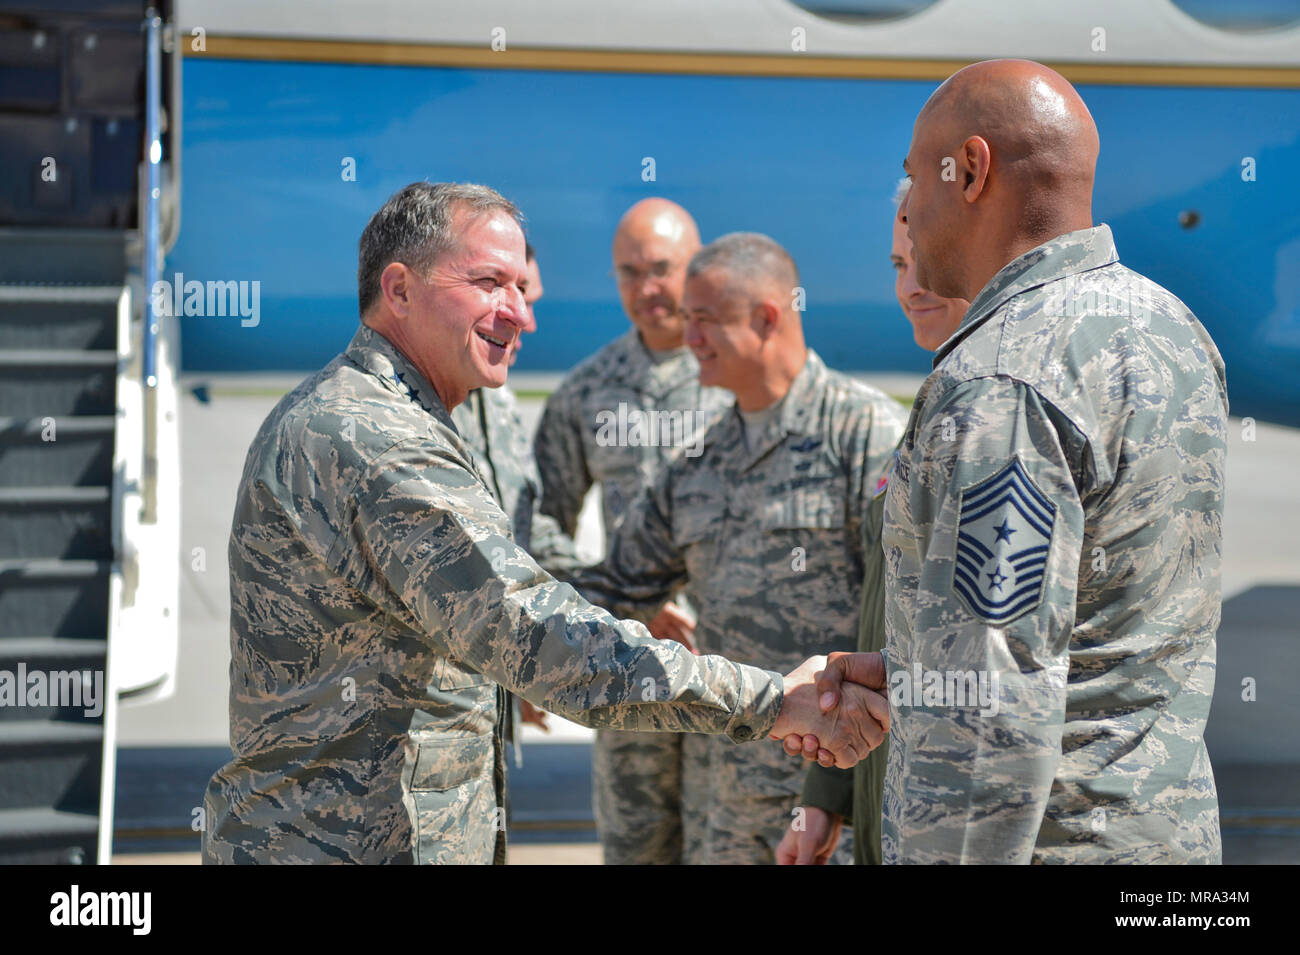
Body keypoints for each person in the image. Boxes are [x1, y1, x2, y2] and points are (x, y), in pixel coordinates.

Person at [201, 182, 890, 865]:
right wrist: (774, 699)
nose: (521, 315)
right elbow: (534, 629)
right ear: (400, 289)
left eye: (521, 288)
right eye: (489, 282)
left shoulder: (422, 418)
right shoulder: (371, 438)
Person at [792, 59, 1228, 864]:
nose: (908, 212)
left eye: (916, 177)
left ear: (972, 171)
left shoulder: (999, 378)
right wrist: (919, 664)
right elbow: (1102, 626)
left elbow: (990, 718)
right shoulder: (1171, 329)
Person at [569, 232, 908, 865]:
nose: (687, 337)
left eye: (704, 321)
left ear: (766, 319)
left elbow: (899, 621)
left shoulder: (864, 435)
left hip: (829, 800)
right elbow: (614, 585)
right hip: (720, 804)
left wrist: (827, 798)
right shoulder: (698, 459)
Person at [534, 198, 731, 865]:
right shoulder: (588, 392)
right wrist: (613, 600)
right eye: (629, 273)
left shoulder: (742, 379)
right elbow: (534, 528)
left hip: (734, 674)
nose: (647, 288)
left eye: (661, 269)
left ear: (697, 267)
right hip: (630, 677)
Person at [779, 180, 968, 865]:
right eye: (896, 264)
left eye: (926, 259)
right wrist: (826, 795)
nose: (911, 284)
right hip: (889, 804)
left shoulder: (998, 414)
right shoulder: (930, 411)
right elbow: (875, 621)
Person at [451, 243, 569, 753]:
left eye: (530, 297)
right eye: (513, 293)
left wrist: (628, 595)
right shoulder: (402, 422)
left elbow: (524, 533)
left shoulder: (498, 401)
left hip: (485, 733)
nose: (527, 320)